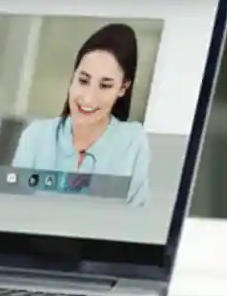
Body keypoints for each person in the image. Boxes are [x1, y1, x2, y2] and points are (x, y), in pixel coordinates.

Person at [11, 23, 151, 206]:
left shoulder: (133, 142)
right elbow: (13, 211)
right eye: (83, 80)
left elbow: (136, 223)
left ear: (123, 88)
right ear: (73, 76)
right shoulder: (36, 137)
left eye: (105, 85)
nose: (88, 98)